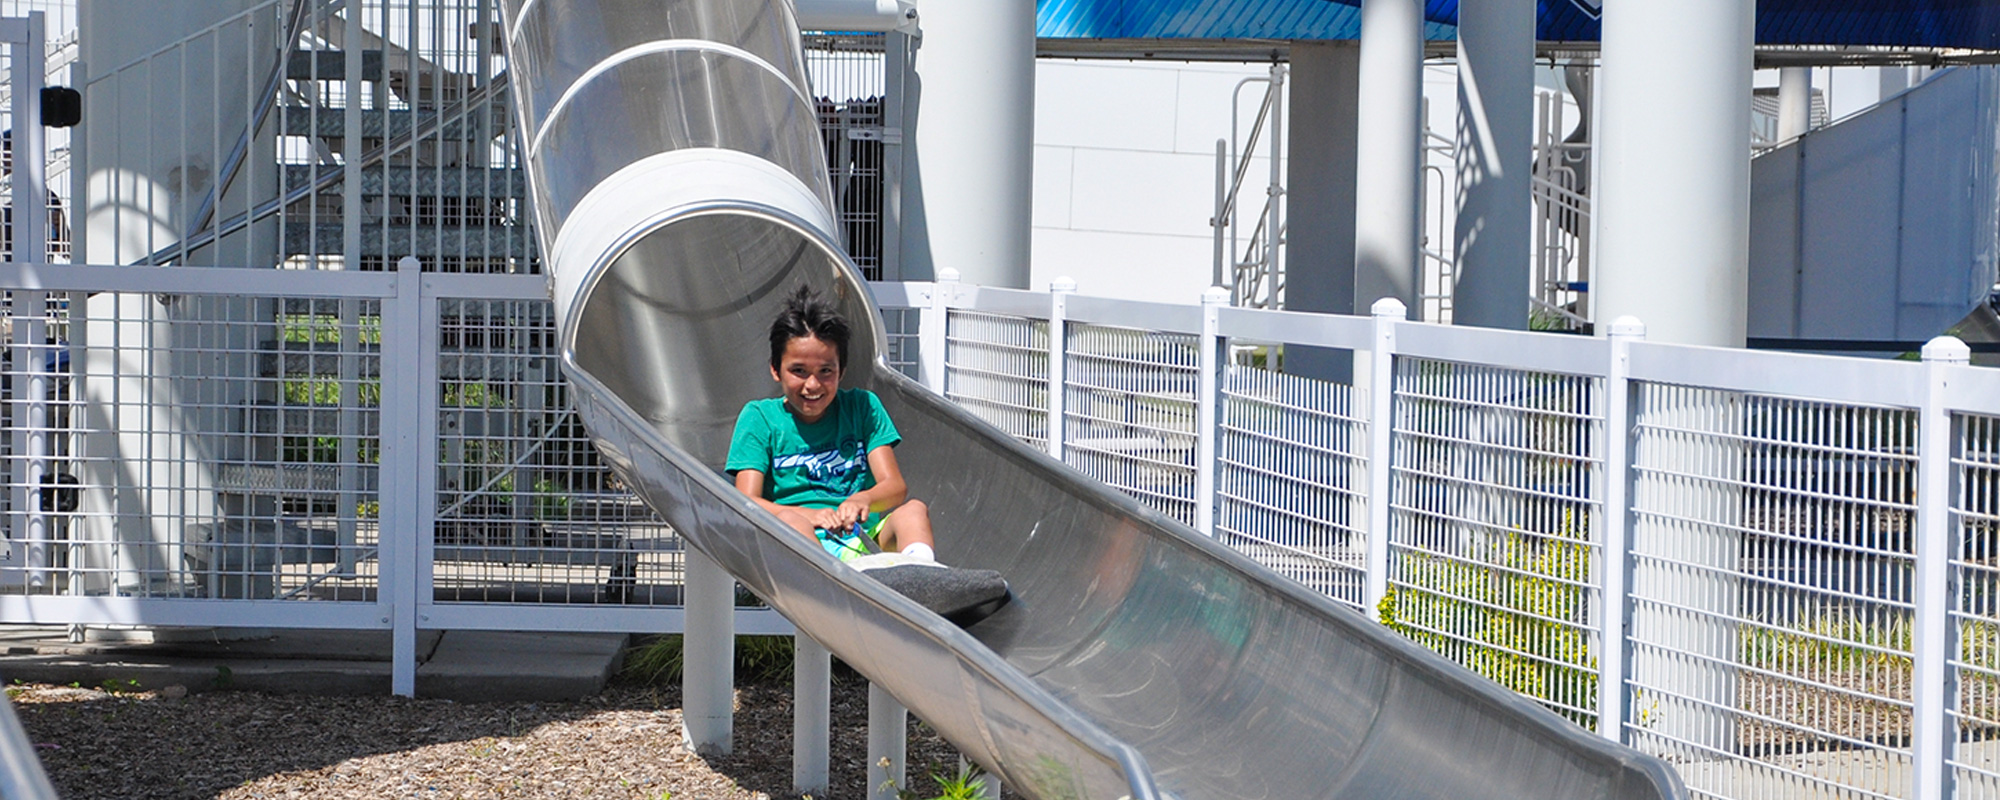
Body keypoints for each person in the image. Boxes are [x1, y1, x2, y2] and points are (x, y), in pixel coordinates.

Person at [727, 286, 937, 563]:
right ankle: (829, 583)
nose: (812, 385)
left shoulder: (862, 407)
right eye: (799, 371)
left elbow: (895, 486)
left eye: (826, 371)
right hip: (798, 541)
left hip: (860, 538)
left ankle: (922, 572)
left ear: (842, 370)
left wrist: (863, 500)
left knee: (914, 511)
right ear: (776, 369)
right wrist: (809, 515)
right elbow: (747, 502)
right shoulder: (760, 418)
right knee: (791, 521)